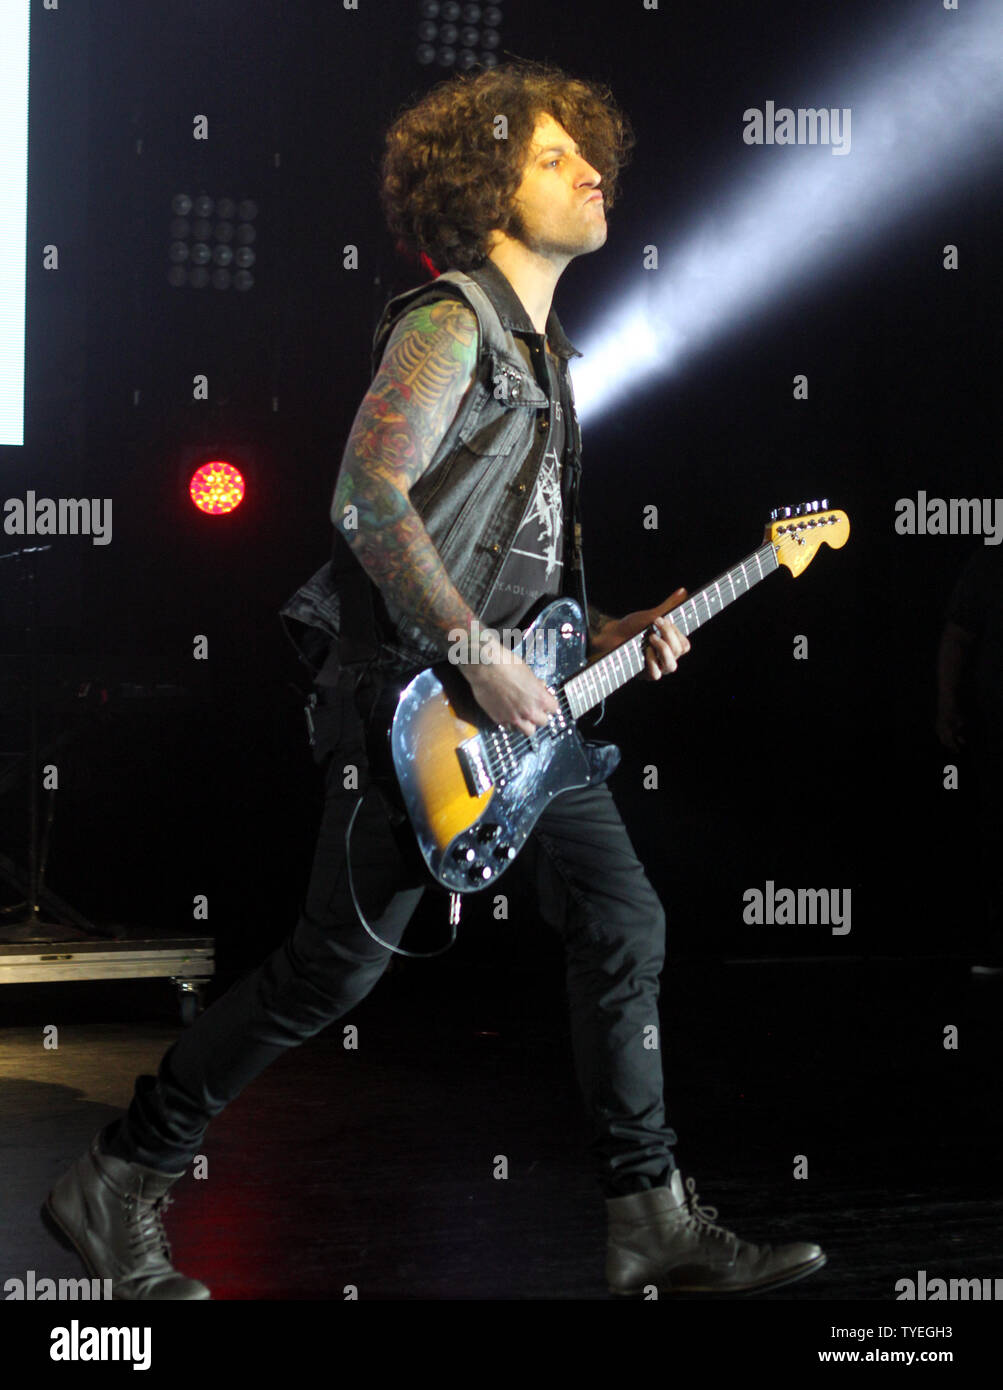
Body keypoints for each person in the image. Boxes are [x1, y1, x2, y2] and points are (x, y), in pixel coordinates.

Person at [44, 61, 826, 1299]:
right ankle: (123, 1173)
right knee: (327, 975)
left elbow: (524, 594)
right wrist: (474, 652)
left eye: (593, 153)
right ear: (485, 193)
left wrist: (615, 629)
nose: (591, 170)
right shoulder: (449, 323)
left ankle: (648, 1215)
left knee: (625, 919)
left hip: (523, 719)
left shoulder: (553, 360)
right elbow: (366, 498)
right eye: (555, 156)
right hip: (414, 706)